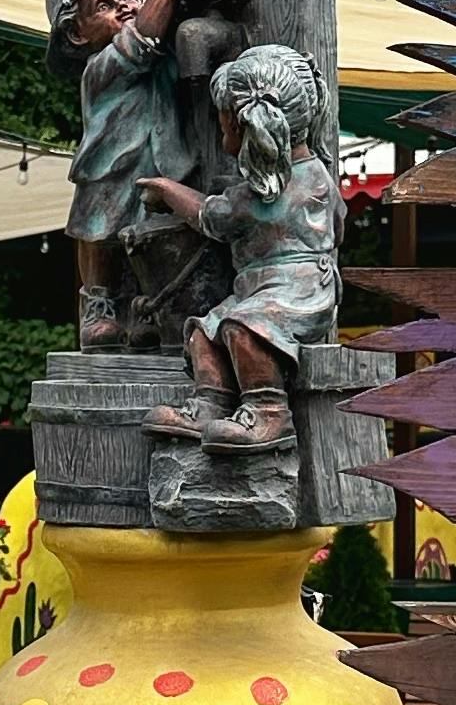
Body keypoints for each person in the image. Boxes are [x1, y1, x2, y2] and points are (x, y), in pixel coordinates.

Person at [44, 0, 253, 347]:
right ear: (78, 33)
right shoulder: (102, 66)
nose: (122, 7)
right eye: (104, 5)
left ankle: (146, 308)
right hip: (112, 171)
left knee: (156, 239)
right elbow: (141, 42)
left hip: (168, 163)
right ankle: (99, 305)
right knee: (101, 231)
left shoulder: (164, 48)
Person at [143, 45, 339, 456]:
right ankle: (210, 404)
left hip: (301, 291)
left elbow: (212, 217)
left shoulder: (262, 194)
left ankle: (268, 411)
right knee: (205, 329)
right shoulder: (317, 174)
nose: (221, 133)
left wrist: (167, 190)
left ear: (247, 126)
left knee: (243, 327)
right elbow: (339, 221)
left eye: (223, 123)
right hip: (261, 290)